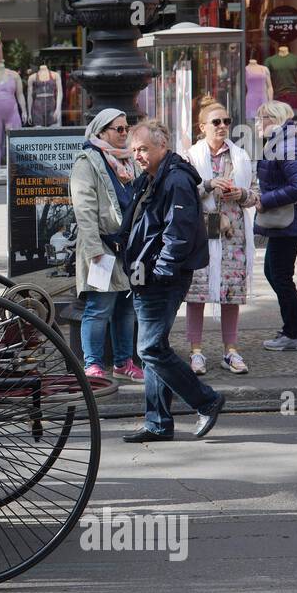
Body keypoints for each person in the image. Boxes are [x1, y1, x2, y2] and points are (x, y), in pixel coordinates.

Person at [118, 120, 225, 443]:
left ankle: (206, 400)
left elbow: (178, 231)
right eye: (134, 149)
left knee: (149, 348)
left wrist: (162, 271)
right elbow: (141, 224)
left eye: (143, 149)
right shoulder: (150, 177)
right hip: (146, 273)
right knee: (156, 348)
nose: (137, 155)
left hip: (160, 276)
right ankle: (158, 422)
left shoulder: (175, 178)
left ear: (162, 146)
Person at [184, 100, 257, 376]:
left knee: (231, 293)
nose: (223, 126)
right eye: (217, 122)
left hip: (233, 232)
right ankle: (196, 351)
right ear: (202, 127)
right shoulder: (190, 157)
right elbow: (183, 193)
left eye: (227, 121)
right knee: (198, 292)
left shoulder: (240, 156)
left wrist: (241, 194)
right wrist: (208, 185)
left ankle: (230, 350)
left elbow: (256, 196)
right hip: (203, 230)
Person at [70, 107, 143, 383]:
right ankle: (92, 365)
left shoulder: (130, 161)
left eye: (127, 128)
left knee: (127, 308)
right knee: (99, 308)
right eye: (119, 129)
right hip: (102, 247)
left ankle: (124, 362)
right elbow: (84, 211)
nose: (125, 133)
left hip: (129, 249)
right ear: (101, 132)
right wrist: (94, 252)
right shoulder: (86, 162)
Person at [254, 100, 297, 351]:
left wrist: (264, 200)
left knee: (279, 275)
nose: (257, 124)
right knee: (276, 273)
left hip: (290, 222)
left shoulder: (286, 145)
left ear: (275, 120)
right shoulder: (280, 142)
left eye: (262, 119)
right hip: (287, 221)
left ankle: (292, 334)